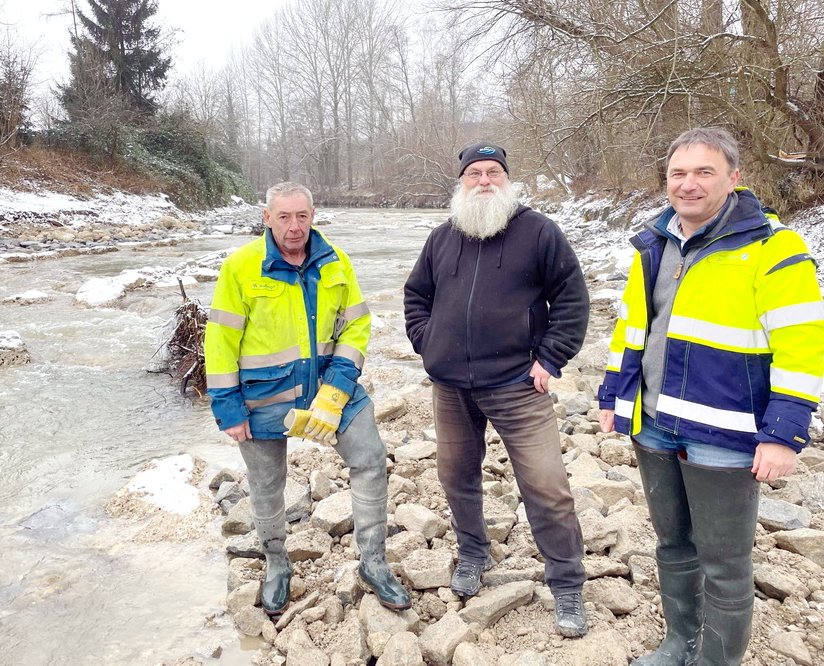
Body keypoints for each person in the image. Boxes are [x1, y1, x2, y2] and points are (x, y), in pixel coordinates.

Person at [598, 128, 824, 666]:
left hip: (727, 431)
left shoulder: (774, 248)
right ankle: (680, 643)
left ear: (734, 178)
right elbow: (633, 330)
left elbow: (803, 344)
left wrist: (783, 434)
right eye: (679, 173)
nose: (689, 184)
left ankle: (714, 660)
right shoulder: (653, 243)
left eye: (704, 172)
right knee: (673, 546)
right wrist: (613, 395)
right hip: (654, 421)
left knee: (724, 563)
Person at [404, 142, 591, 637]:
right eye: (474, 174)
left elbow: (572, 297)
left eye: (493, 173)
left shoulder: (538, 232)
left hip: (516, 385)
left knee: (547, 487)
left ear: (507, 180)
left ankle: (568, 584)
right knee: (455, 475)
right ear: (461, 182)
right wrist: (429, 345)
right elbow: (416, 295)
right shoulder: (443, 238)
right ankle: (472, 552)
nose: (484, 181)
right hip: (450, 386)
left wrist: (550, 358)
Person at [204, 182, 410, 615]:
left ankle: (373, 562)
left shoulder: (335, 262)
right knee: (265, 484)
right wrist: (227, 407)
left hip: (329, 386)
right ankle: (277, 563)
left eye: (302, 216)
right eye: (284, 217)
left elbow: (357, 326)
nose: (294, 227)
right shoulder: (241, 268)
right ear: (267, 218)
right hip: (262, 396)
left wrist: (336, 390)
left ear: (313, 215)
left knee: (371, 458)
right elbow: (220, 341)